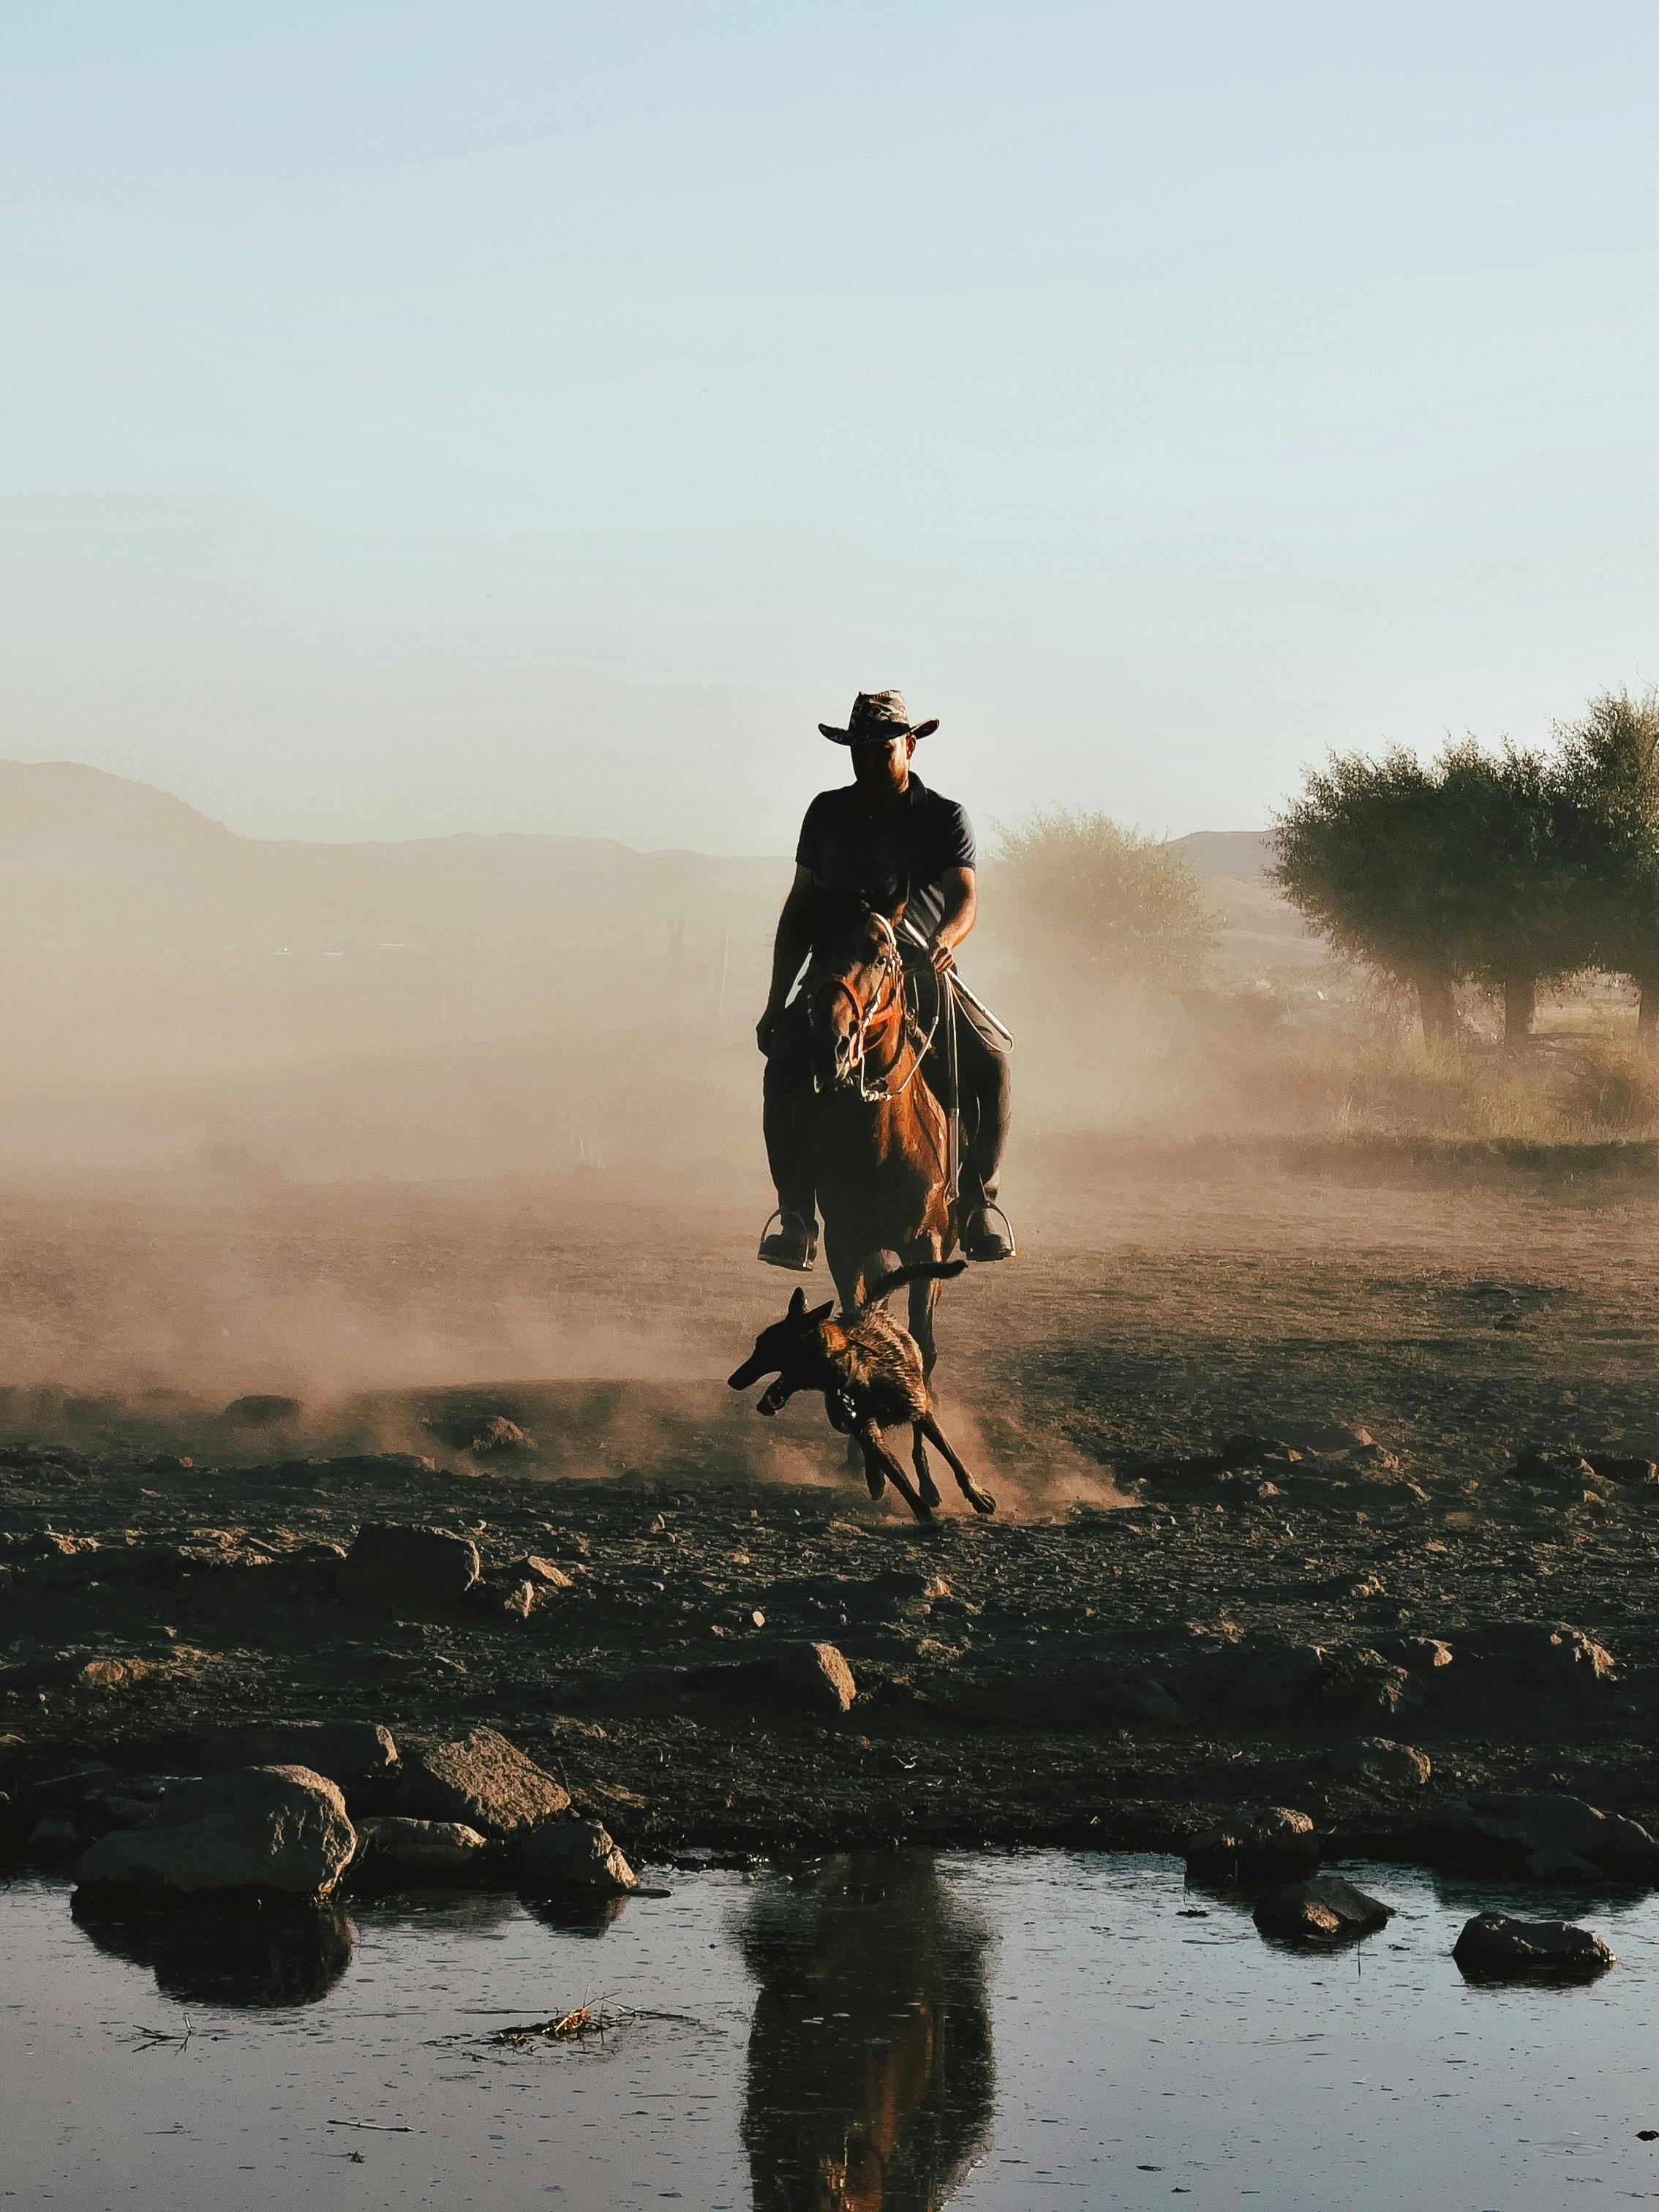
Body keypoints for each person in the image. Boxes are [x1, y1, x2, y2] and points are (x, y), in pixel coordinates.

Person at [756, 689, 1015, 1269]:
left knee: (991, 1065)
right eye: (859, 751)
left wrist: (946, 940)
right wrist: (777, 1002)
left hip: (919, 975)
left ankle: (976, 1202)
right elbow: (801, 908)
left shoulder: (945, 816)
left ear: (911, 747)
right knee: (783, 1069)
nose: (869, 761)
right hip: (839, 980)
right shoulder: (826, 813)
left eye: (882, 749)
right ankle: (796, 1216)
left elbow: (965, 897)